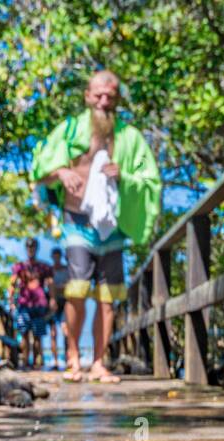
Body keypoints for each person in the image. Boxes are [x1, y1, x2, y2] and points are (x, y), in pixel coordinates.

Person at [31, 69, 161, 382]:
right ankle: (74, 359)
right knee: (76, 288)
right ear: (88, 96)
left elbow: (151, 180)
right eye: (98, 95)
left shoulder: (129, 138)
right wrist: (61, 173)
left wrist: (125, 177)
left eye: (110, 96)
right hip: (76, 221)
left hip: (113, 225)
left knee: (108, 295)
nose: (104, 101)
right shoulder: (70, 130)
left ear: (116, 99)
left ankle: (99, 362)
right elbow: (40, 169)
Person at [9, 236, 52, 370]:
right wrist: (11, 301)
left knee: (37, 335)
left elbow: (50, 285)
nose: (30, 249)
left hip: (39, 304)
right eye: (28, 246)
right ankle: (26, 362)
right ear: (26, 248)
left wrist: (53, 300)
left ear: (37, 248)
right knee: (24, 333)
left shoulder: (44, 267)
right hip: (24, 304)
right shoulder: (19, 267)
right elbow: (12, 283)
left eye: (33, 246)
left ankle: (36, 363)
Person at [47, 246, 70, 373]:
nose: (56, 258)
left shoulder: (66, 269)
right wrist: (55, 291)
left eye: (58, 255)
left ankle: (68, 359)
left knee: (65, 330)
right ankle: (54, 361)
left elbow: (69, 285)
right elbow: (50, 286)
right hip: (53, 302)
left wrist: (56, 288)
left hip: (65, 302)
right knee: (53, 332)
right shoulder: (49, 271)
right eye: (54, 255)